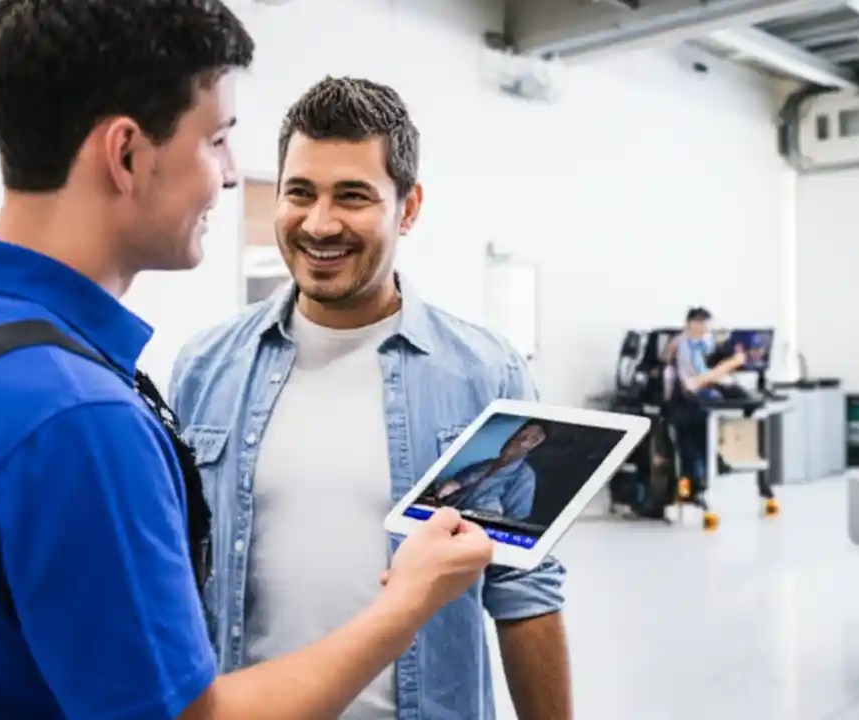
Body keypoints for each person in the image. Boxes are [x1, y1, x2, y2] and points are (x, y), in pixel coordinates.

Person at [0, 4, 495, 720]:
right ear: (127, 153)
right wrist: (410, 598)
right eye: (218, 140)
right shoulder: (79, 419)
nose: (229, 177)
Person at [170, 76, 571, 720]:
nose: (320, 223)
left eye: (352, 196)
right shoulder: (207, 367)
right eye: (300, 193)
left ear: (407, 209)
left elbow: (524, 587)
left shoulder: (485, 373)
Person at [668, 307, 745, 503]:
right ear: (690, 324)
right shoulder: (684, 346)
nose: (705, 330)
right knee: (693, 452)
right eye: (701, 324)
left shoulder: (700, 342)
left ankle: (705, 479)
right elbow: (695, 382)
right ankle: (695, 489)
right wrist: (731, 364)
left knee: (704, 445)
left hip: (700, 398)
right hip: (686, 403)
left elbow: (710, 355)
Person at [425, 420, 550, 518]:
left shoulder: (525, 476)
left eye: (534, 439)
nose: (523, 439)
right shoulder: (485, 463)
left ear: (535, 448)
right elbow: (452, 485)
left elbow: (516, 519)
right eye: (524, 432)